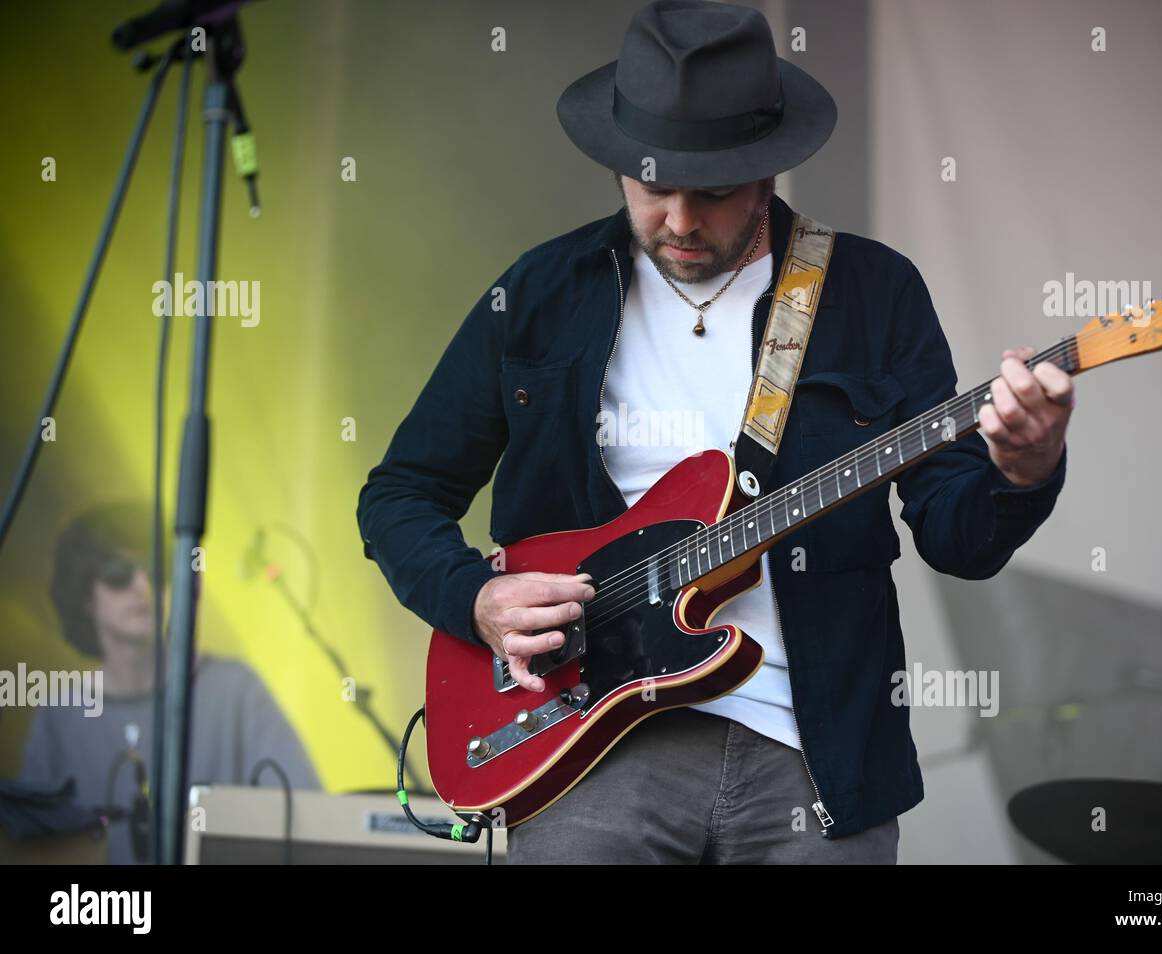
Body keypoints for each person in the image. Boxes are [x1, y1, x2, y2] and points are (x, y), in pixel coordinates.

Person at [358, 0, 1072, 864]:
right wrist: (475, 599)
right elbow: (400, 494)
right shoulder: (541, 294)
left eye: (715, 192)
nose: (682, 221)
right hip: (586, 746)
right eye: (653, 188)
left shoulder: (873, 294)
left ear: (768, 169)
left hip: (817, 757)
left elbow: (959, 539)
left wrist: (1024, 467)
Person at [20, 501, 320, 864]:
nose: (141, 586)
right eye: (118, 574)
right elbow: (31, 847)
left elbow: (307, 822)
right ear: (85, 595)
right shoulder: (60, 714)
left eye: (156, 571)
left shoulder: (236, 690)